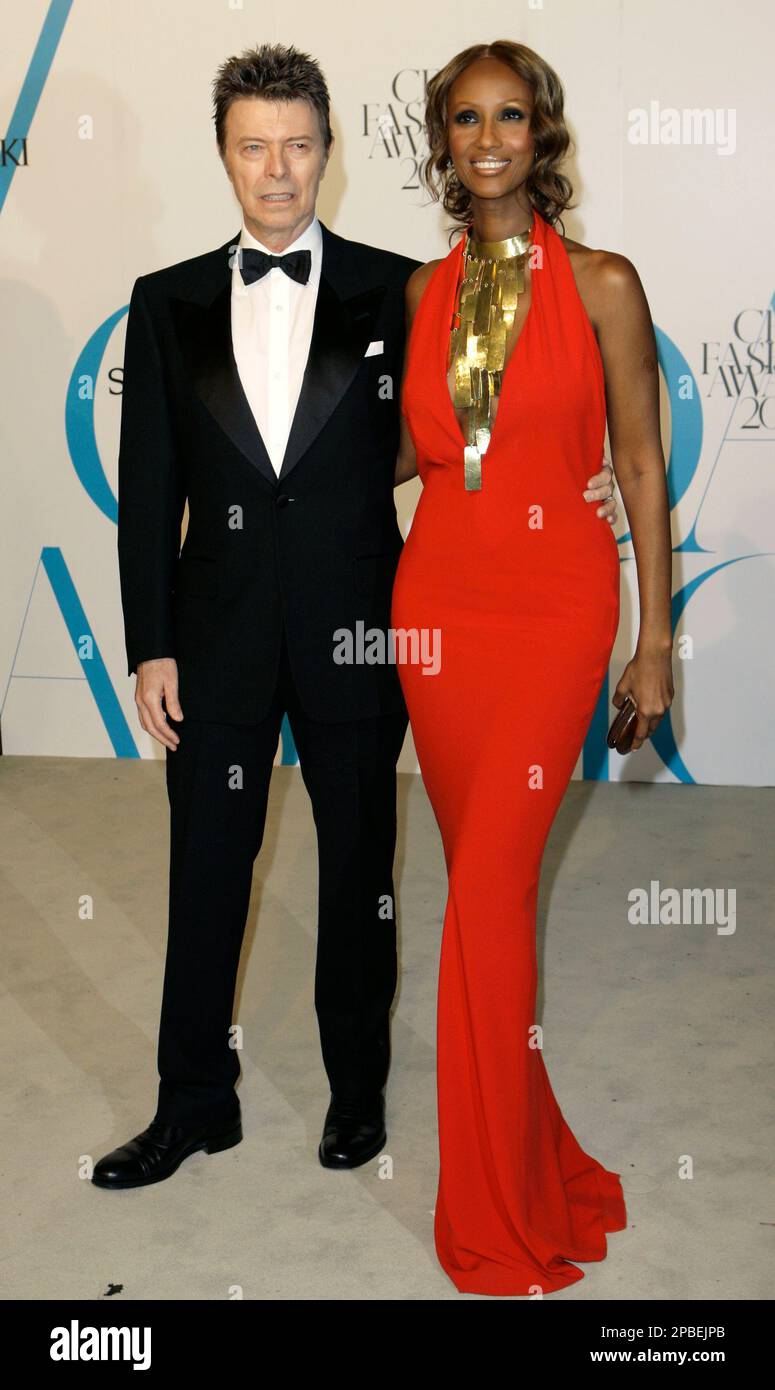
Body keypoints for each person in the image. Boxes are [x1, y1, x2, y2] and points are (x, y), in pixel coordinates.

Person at [93, 42, 618, 1192]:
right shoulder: (165, 300)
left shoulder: (404, 287)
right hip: (215, 639)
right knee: (205, 876)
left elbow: (499, 406)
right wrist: (149, 643)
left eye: (297, 146)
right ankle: (192, 1105)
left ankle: (357, 1095)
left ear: (328, 156)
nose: (276, 170)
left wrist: (590, 476)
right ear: (224, 158)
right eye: (253, 148)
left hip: (364, 635)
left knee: (359, 877)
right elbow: (147, 496)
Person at [391, 40, 674, 1296]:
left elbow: (645, 467)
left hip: (558, 608)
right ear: (443, 141)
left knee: (485, 898)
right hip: (435, 612)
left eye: (511, 115)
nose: (489, 136)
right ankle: (531, 1154)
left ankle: (494, 1213)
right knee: (484, 898)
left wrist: (652, 638)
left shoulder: (605, 282)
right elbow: (411, 460)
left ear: (541, 133)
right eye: (466, 118)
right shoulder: (418, 292)